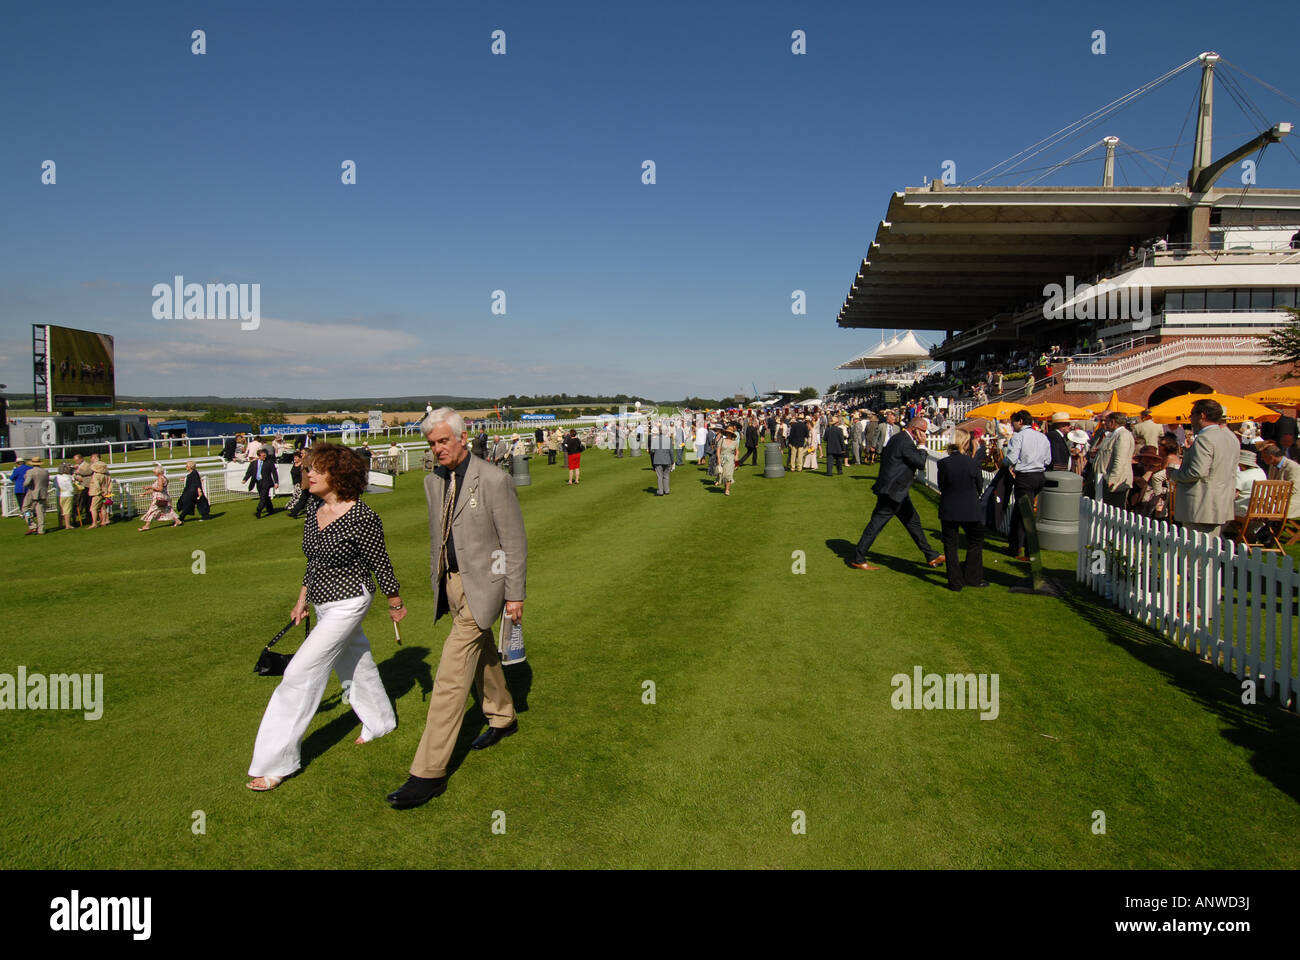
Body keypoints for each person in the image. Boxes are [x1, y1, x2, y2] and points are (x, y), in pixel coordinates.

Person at [387, 408, 526, 809]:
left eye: (443, 441)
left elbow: (513, 543)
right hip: (449, 585)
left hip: (485, 587)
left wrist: (512, 594)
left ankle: (427, 773)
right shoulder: (433, 482)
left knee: (450, 677)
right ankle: (502, 716)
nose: (437, 449)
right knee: (482, 656)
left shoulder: (495, 480)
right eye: (431, 444)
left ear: (463, 438)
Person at [247, 443, 404, 792]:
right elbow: (313, 560)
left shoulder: (363, 516)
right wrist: (302, 598)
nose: (309, 473)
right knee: (355, 662)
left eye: (318, 469)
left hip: (351, 600)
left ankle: (277, 762)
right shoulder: (315, 509)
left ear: (340, 476)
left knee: (299, 674)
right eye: (309, 468)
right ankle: (380, 722)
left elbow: (380, 560)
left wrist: (395, 601)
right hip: (322, 601)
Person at [849, 417, 945, 572]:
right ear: (915, 430)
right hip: (893, 491)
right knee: (877, 524)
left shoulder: (898, 438)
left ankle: (931, 555)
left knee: (913, 522)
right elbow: (920, 463)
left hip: (894, 489)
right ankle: (858, 558)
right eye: (923, 431)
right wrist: (922, 445)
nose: (925, 435)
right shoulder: (905, 442)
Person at [1165, 398, 1240, 538]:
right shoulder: (1231, 437)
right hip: (1221, 501)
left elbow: (1197, 472)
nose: (1190, 418)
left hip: (1201, 503)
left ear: (1202, 415)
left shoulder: (1205, 438)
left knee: (1197, 552)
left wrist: (1174, 474)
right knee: (1209, 550)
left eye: (1192, 414)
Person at [937, 428, 987, 591]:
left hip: (949, 507)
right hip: (970, 508)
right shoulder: (972, 463)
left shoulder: (944, 463)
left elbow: (942, 486)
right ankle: (973, 577)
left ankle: (955, 582)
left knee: (950, 546)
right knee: (975, 541)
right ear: (965, 443)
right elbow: (979, 486)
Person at [1002, 409, 1052, 560]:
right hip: (1039, 475)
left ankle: (1031, 552)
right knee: (1020, 511)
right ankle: (1015, 546)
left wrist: (1003, 461)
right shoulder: (1042, 436)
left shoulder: (1019, 437)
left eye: (1013, 423)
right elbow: (1048, 460)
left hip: (1025, 476)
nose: (1012, 426)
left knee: (1025, 514)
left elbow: (1011, 458)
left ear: (1020, 421)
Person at [1094, 412, 1135, 510]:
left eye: (1106, 421)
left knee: (1113, 512)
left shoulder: (1123, 435)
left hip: (1115, 484)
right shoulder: (1114, 434)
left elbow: (1120, 460)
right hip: (1105, 480)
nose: (1104, 423)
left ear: (1113, 422)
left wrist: (1113, 480)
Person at [1259, 443, 1300, 521]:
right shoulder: (1273, 465)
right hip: (1277, 500)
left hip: (1291, 502)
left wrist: (1273, 495)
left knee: (1261, 507)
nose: (1262, 459)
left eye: (1264, 457)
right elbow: (1270, 484)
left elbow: (1293, 489)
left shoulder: (1293, 467)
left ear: (1271, 457)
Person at [137, 465, 182, 531]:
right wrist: (145, 493)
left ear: (158, 472)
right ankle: (178, 521)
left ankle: (147, 525)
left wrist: (150, 487)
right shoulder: (164, 478)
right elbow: (157, 489)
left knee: (152, 511)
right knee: (168, 510)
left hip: (159, 497)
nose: (154, 473)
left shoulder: (160, 478)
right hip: (165, 497)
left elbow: (160, 489)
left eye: (154, 472)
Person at [244, 448, 279, 518]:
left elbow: (274, 473)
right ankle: (270, 510)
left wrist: (276, 482)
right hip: (258, 482)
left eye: (265, 455)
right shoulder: (254, 463)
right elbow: (249, 472)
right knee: (265, 497)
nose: (264, 457)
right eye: (263, 456)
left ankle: (258, 510)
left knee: (263, 497)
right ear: (259, 456)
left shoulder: (269, 463)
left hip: (267, 482)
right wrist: (245, 479)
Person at [20, 457, 49, 535]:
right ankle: (41, 529)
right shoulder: (45, 472)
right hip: (42, 493)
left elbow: (27, 483)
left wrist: (24, 482)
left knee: (25, 508)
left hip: (32, 492)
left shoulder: (30, 472)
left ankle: (32, 525)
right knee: (40, 512)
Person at [650, 423, 674, 496]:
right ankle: (666, 490)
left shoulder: (655, 439)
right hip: (667, 460)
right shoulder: (669, 440)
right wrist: (672, 461)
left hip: (658, 459)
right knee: (666, 475)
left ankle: (660, 491)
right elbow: (671, 452)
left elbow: (652, 450)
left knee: (660, 476)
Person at [716, 425, 738, 495]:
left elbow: (737, 451)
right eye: (728, 433)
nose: (729, 434)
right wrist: (718, 458)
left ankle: (727, 490)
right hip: (722, 458)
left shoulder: (735, 443)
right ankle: (725, 487)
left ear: (732, 434)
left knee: (729, 474)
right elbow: (718, 450)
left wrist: (736, 456)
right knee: (723, 475)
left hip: (730, 459)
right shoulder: (722, 440)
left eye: (730, 433)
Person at [55, 463, 76, 530]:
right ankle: (67, 525)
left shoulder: (57, 477)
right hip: (68, 494)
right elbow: (71, 488)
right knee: (67, 510)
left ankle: (60, 524)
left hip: (59, 494)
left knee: (60, 510)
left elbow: (54, 485)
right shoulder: (69, 477)